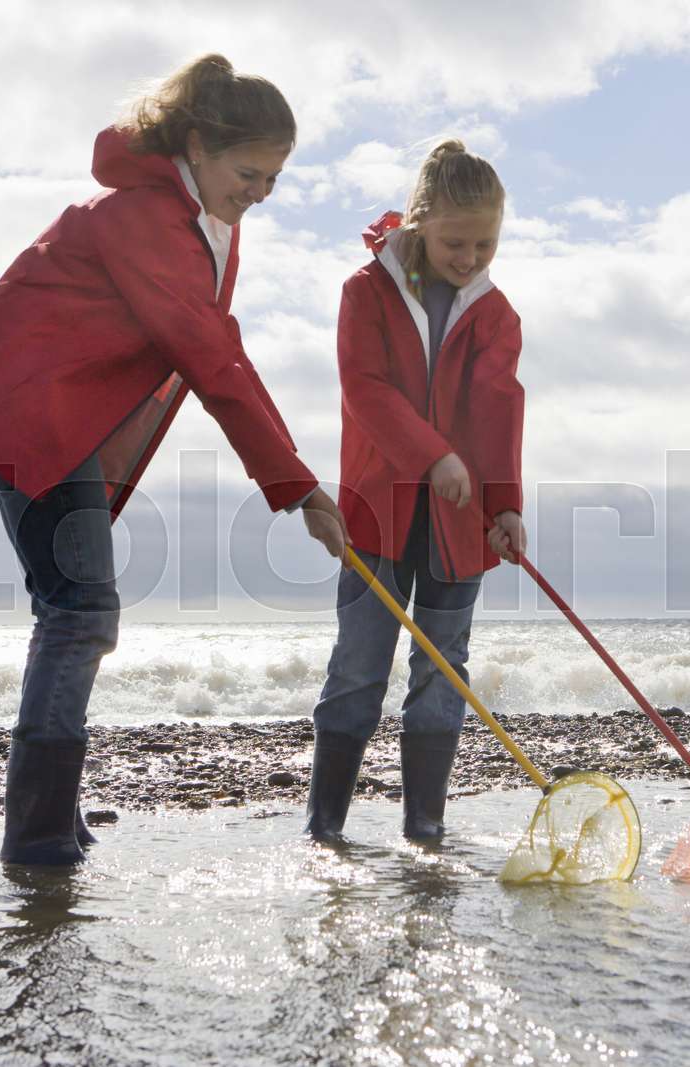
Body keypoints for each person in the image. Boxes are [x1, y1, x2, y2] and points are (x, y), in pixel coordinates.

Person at [0, 55, 347, 866]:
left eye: (275, 178)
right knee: (79, 612)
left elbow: (208, 348)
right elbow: (209, 356)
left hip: (61, 418)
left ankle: (51, 818)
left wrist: (292, 479)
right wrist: (294, 484)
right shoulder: (147, 219)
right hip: (24, 408)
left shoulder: (205, 222)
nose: (260, 191)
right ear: (197, 146)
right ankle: (39, 835)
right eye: (249, 172)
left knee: (77, 611)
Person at [307, 140, 526, 844]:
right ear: (421, 222)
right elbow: (364, 390)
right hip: (377, 514)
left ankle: (425, 829)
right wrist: (432, 456)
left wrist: (506, 505)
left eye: (485, 244)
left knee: (443, 672)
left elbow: (498, 414)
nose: (469, 257)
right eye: (456, 242)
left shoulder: (498, 316)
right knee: (357, 669)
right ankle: (326, 828)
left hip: (459, 527)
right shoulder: (364, 292)